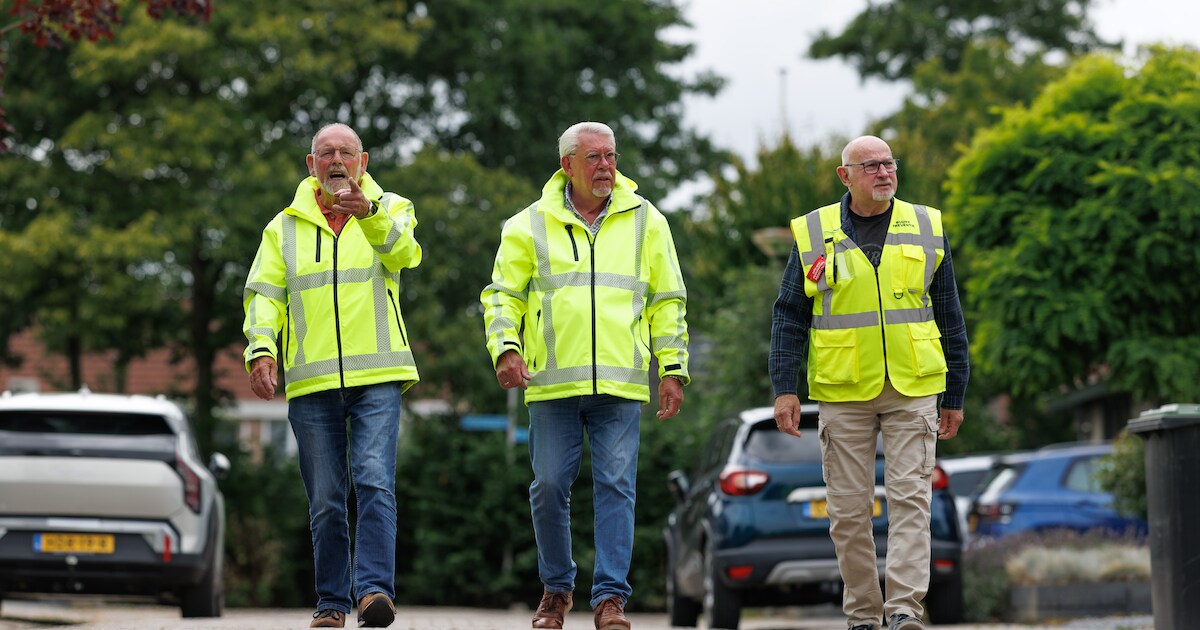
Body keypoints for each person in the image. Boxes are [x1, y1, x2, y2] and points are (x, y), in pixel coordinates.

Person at [480, 121, 690, 630]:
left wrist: (673, 367)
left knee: (617, 486)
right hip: (550, 382)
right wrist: (506, 348)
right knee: (549, 486)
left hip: (619, 382)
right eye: (594, 158)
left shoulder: (647, 221)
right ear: (566, 165)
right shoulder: (526, 224)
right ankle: (556, 589)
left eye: (611, 156)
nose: (606, 167)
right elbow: (502, 296)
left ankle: (611, 599)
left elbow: (668, 301)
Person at [768, 135, 969, 630]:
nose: (884, 173)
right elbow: (789, 315)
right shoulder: (813, 232)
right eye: (871, 166)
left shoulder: (925, 225)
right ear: (846, 176)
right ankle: (862, 614)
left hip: (914, 386)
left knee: (910, 502)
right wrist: (784, 387)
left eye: (889, 164)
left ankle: (903, 610)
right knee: (848, 513)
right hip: (842, 391)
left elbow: (949, 313)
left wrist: (956, 392)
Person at [242, 123, 422, 629]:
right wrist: (261, 350)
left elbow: (406, 254)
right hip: (312, 381)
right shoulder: (283, 227)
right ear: (311, 164)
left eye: (346, 152)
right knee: (325, 497)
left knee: (373, 481)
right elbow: (264, 296)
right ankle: (331, 602)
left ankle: (373, 594)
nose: (337, 160)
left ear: (362, 161)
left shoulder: (393, 208)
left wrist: (369, 215)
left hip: (378, 376)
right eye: (327, 153)